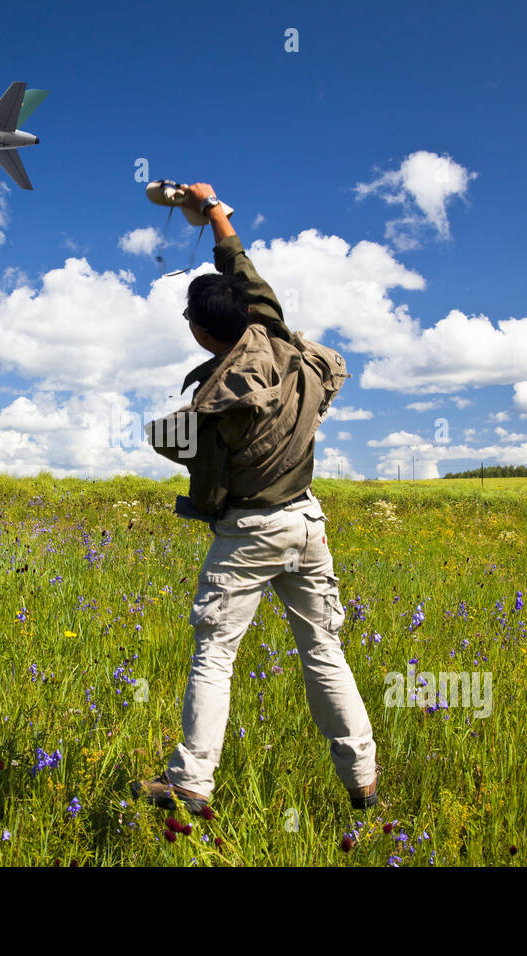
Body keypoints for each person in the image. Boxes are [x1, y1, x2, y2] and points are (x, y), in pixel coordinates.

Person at [131, 182, 379, 815]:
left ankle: (191, 780)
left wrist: (156, 433)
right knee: (324, 649)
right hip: (308, 523)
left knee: (216, 653)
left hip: (250, 534)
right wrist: (214, 210)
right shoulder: (276, 337)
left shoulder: (216, 403)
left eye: (190, 320)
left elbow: (193, 462)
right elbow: (242, 271)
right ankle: (362, 776)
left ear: (203, 333)